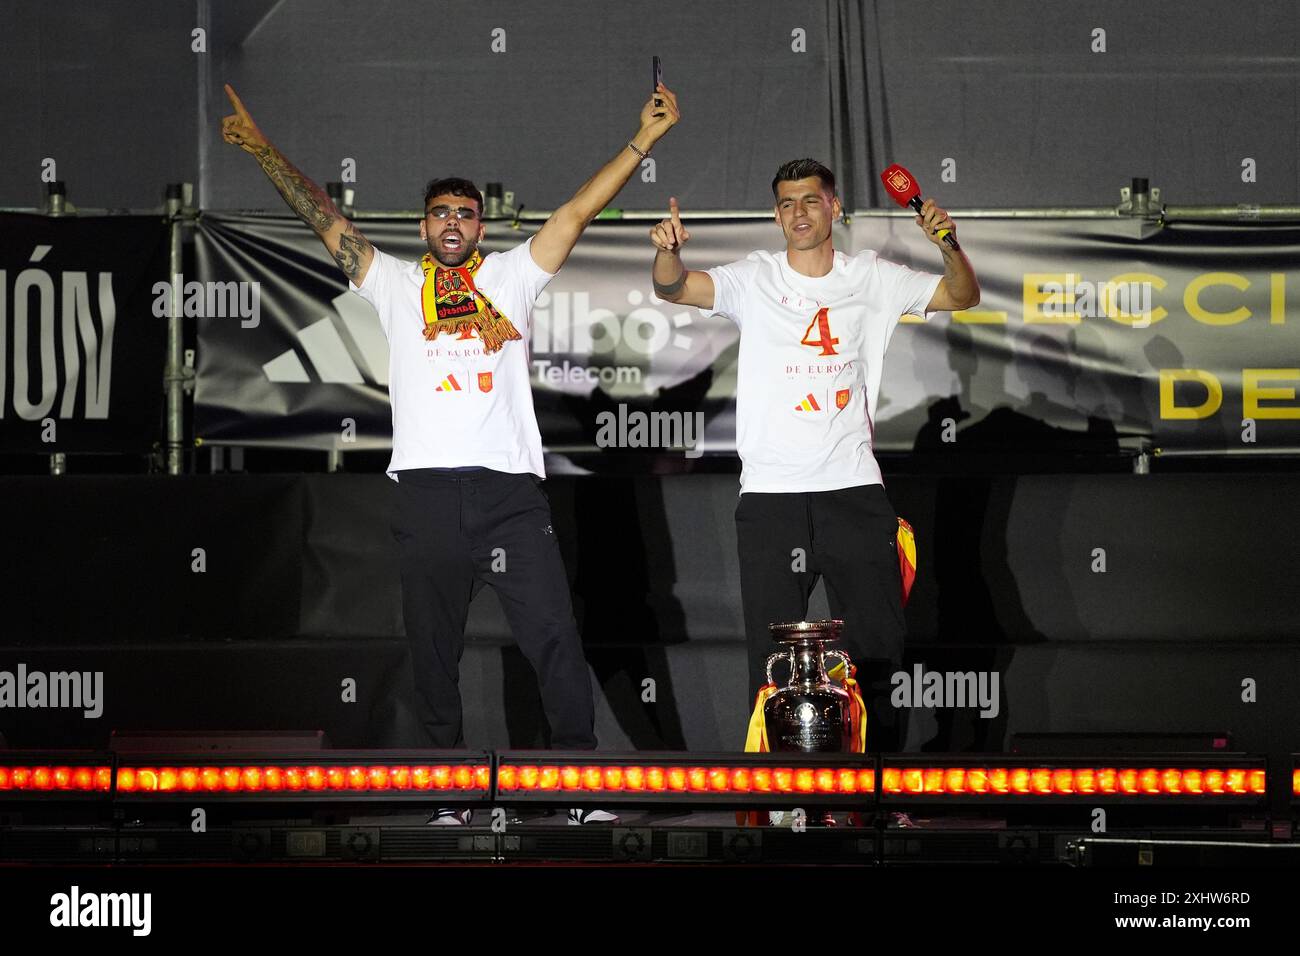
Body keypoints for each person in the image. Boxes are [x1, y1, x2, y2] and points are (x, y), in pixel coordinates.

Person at [221, 81, 681, 826]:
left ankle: (577, 788)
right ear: (425, 225)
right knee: (433, 653)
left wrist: (644, 141)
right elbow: (327, 221)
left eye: (466, 213)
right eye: (441, 212)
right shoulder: (397, 284)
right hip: (427, 495)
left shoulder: (513, 277)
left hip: (508, 496)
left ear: (479, 226)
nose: (454, 222)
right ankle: (449, 793)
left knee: (555, 637)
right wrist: (265, 151)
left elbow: (577, 211)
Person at [648, 157, 980, 770]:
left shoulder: (872, 278)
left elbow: (961, 295)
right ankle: (779, 799)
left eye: (809, 200)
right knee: (769, 663)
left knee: (877, 653)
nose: (796, 212)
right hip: (771, 498)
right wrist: (667, 253)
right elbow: (675, 287)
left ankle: (877, 795)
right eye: (785, 204)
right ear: (776, 215)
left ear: (834, 207)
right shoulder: (755, 277)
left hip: (852, 491)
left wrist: (948, 243)